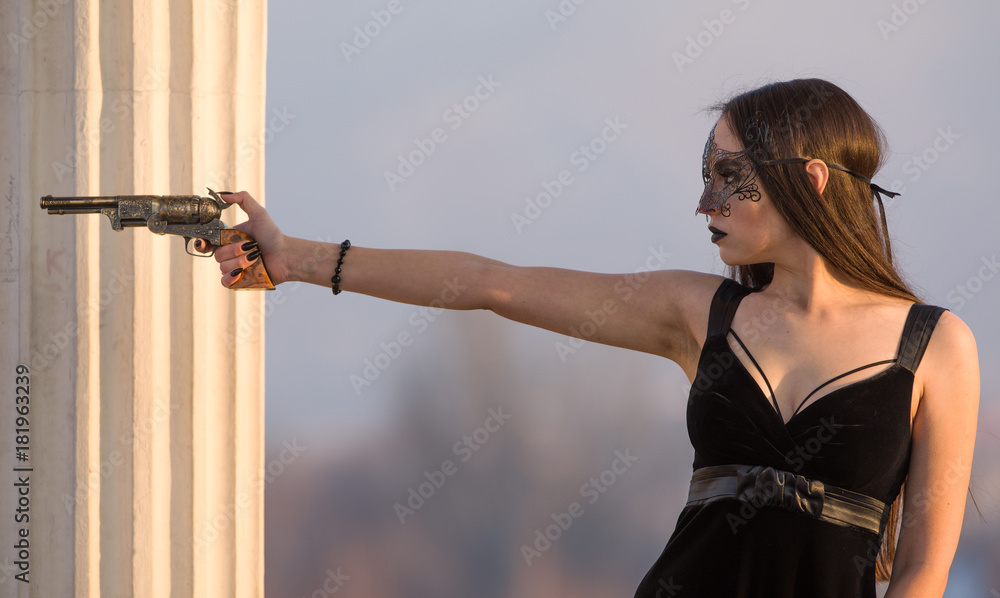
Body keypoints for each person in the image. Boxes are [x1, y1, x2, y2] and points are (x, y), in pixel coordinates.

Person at [202, 78, 979, 597]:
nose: (705, 199)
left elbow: (921, 569)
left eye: (729, 172)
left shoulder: (937, 347)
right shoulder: (695, 312)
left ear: (809, 180)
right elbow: (489, 283)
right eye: (705, 168)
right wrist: (295, 258)